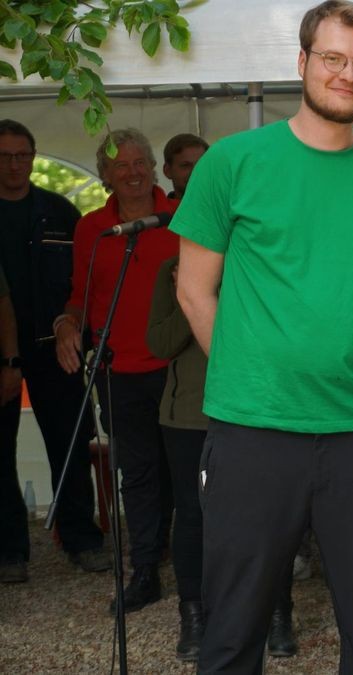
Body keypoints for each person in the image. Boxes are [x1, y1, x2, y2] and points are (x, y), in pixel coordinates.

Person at [172, 2, 353, 671]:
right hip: (253, 429)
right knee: (233, 630)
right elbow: (194, 289)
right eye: (333, 59)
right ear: (302, 64)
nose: (348, 75)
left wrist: (348, 353)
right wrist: (250, 366)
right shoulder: (233, 161)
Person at [146, 253, 299, 662]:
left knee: (271, 515)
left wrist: (215, 290)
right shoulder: (172, 268)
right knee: (192, 517)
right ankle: (193, 615)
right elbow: (158, 342)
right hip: (188, 415)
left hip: (256, 408)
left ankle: (278, 612)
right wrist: (190, 295)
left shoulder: (260, 256)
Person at [55, 127, 179, 613]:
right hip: (118, 370)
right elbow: (81, 297)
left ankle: (201, 569)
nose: (132, 172)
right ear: (105, 176)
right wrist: (67, 324)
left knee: (189, 472)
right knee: (139, 473)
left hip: (178, 370)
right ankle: (145, 570)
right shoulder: (91, 228)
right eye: (120, 166)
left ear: (152, 167)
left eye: (139, 162)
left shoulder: (180, 216)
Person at [0, 119, 107, 583]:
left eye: (22, 154)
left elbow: (86, 279)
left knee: (70, 445)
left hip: (56, 348)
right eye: (5, 156)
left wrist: (75, 327)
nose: (15, 164)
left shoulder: (60, 211)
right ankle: (10, 552)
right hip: (2, 356)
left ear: (34, 156)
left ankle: (80, 538)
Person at [162, 133, 209, 199]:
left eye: (201, 165)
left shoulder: (224, 207)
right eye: (186, 165)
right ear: (167, 171)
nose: (195, 172)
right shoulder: (159, 209)